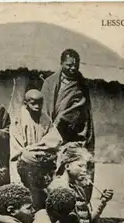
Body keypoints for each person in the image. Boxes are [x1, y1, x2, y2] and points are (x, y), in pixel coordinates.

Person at [41, 49, 95, 197]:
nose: (72, 68)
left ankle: (78, 207)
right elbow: (44, 107)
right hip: (52, 132)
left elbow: (78, 108)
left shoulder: (81, 85)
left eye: (75, 65)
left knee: (76, 167)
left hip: (73, 133)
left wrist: (61, 121)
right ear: (61, 64)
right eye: (69, 65)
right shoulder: (49, 82)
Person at [10, 89, 53, 182]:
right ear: (25, 103)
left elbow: (54, 139)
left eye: (40, 103)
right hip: (23, 159)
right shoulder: (18, 119)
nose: (37, 106)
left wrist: (40, 150)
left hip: (41, 158)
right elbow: (16, 146)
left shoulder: (46, 119)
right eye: (33, 103)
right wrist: (29, 151)